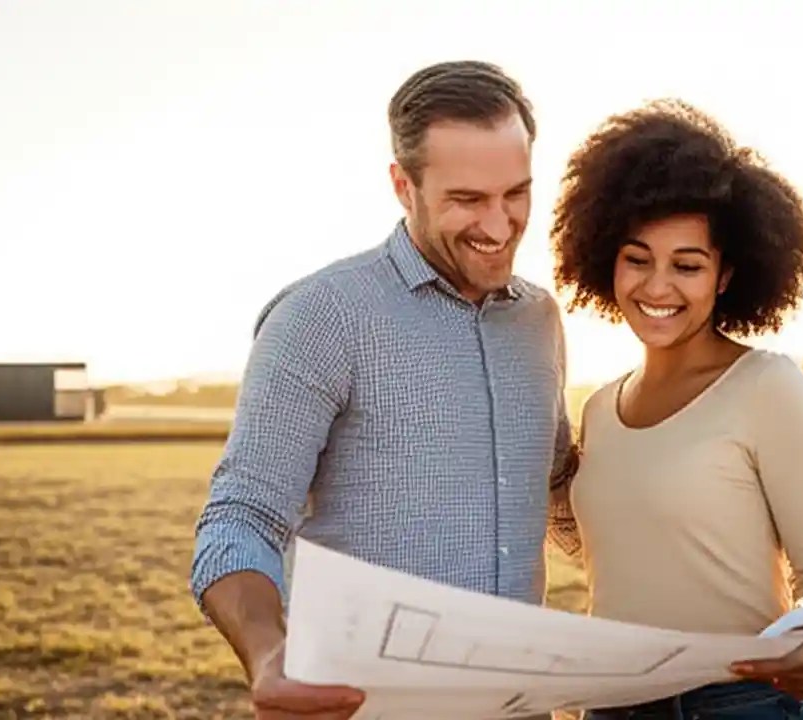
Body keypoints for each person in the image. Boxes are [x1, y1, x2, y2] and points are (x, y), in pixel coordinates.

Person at [189, 60, 573, 720]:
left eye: (516, 193)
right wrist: (269, 652)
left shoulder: (539, 320)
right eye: (467, 200)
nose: (500, 224)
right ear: (403, 185)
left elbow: (560, 486)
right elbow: (240, 518)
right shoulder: (321, 316)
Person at [546, 99, 803, 719]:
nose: (657, 286)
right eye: (637, 259)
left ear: (724, 276)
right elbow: (622, 551)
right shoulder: (601, 408)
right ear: (607, 257)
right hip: (611, 703)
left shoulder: (767, 387)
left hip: (739, 704)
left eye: (687, 266)